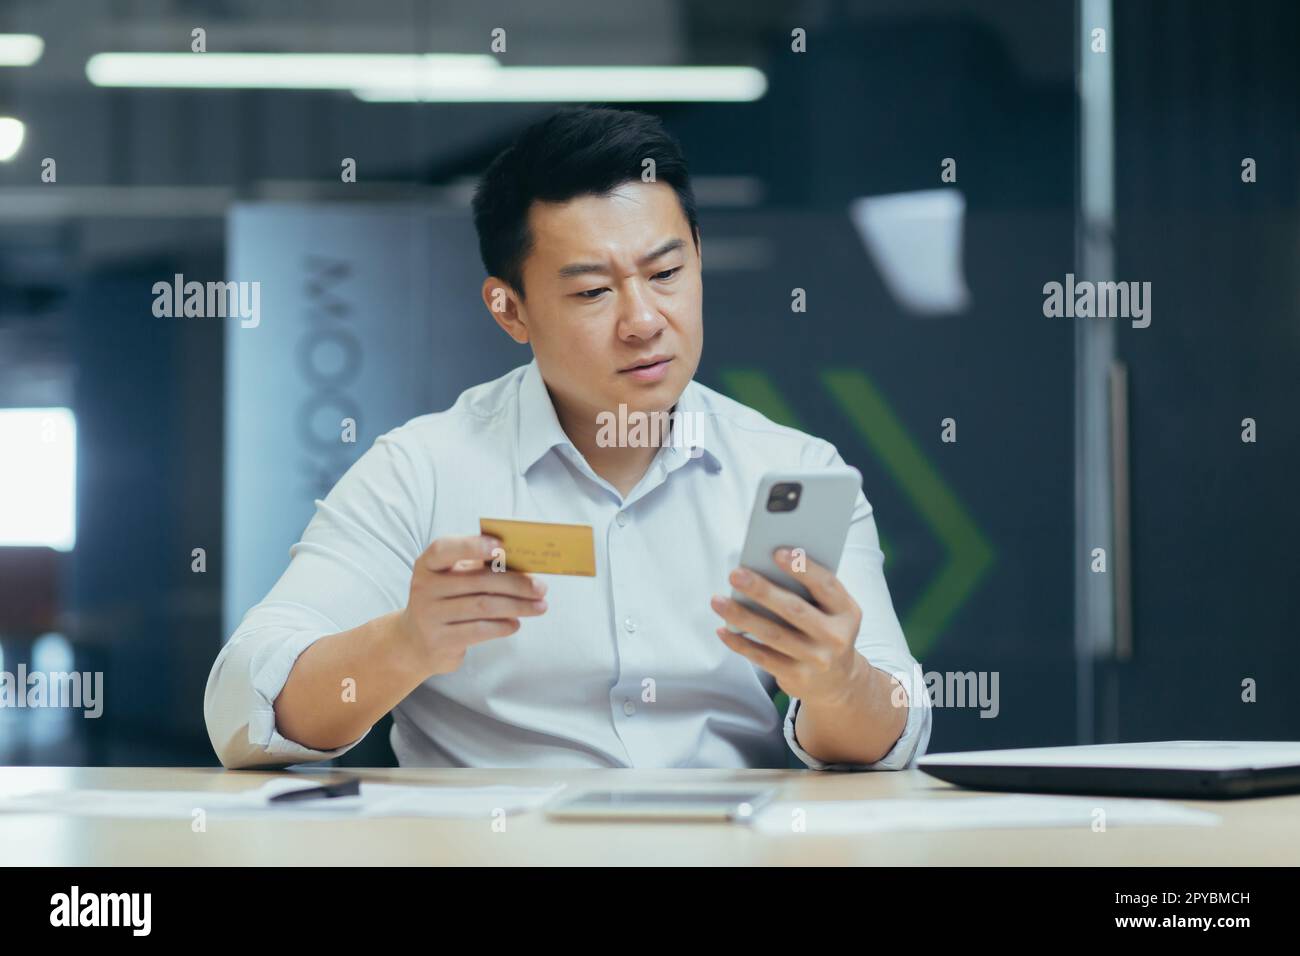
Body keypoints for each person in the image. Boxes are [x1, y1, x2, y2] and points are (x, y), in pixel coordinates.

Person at [204, 106, 932, 771]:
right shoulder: (420, 471)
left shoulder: (789, 473)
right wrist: (405, 643)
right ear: (510, 309)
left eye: (667, 272)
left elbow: (891, 733)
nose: (644, 319)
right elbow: (240, 710)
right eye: (592, 291)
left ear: (699, 256)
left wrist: (838, 683)